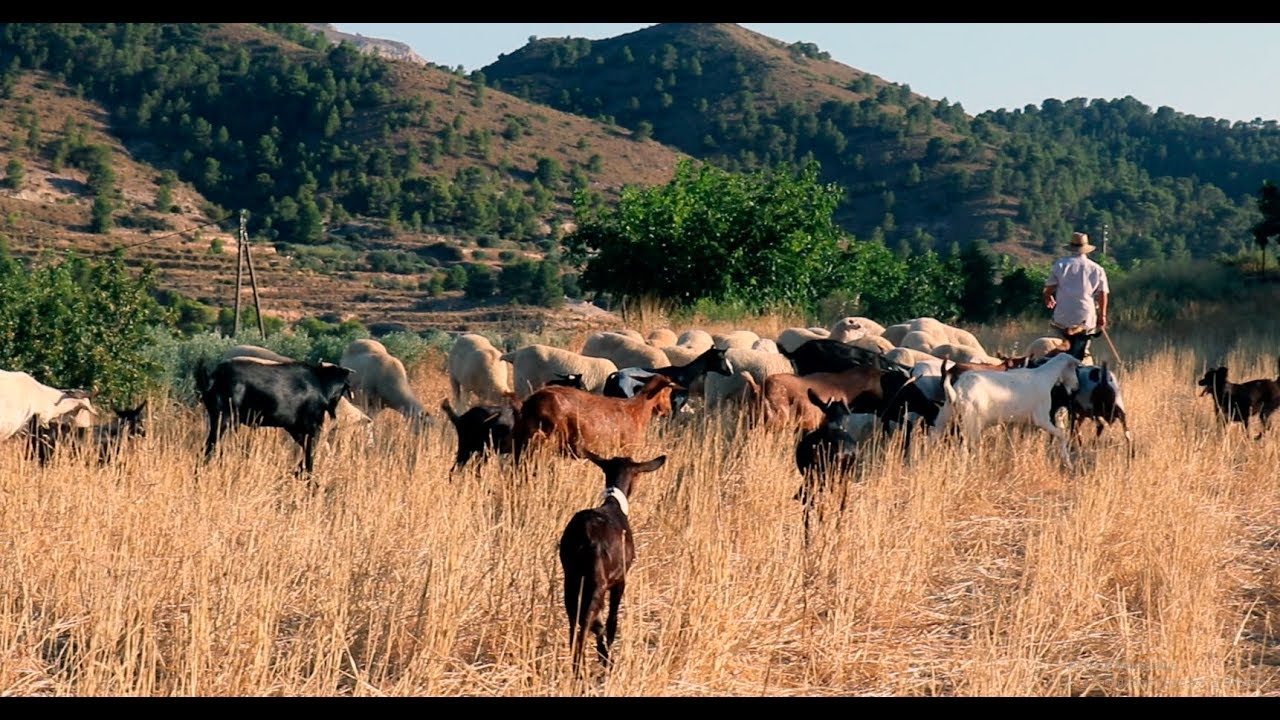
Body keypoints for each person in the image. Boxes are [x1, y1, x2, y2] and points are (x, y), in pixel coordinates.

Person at [1042, 231, 1109, 364]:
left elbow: (1049, 288)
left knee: (1061, 347)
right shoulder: (1096, 268)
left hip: (1063, 315)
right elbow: (1103, 293)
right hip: (1085, 316)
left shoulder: (1061, 265)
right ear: (1086, 249)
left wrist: (1048, 296)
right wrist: (1102, 315)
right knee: (1082, 350)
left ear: (1071, 247)